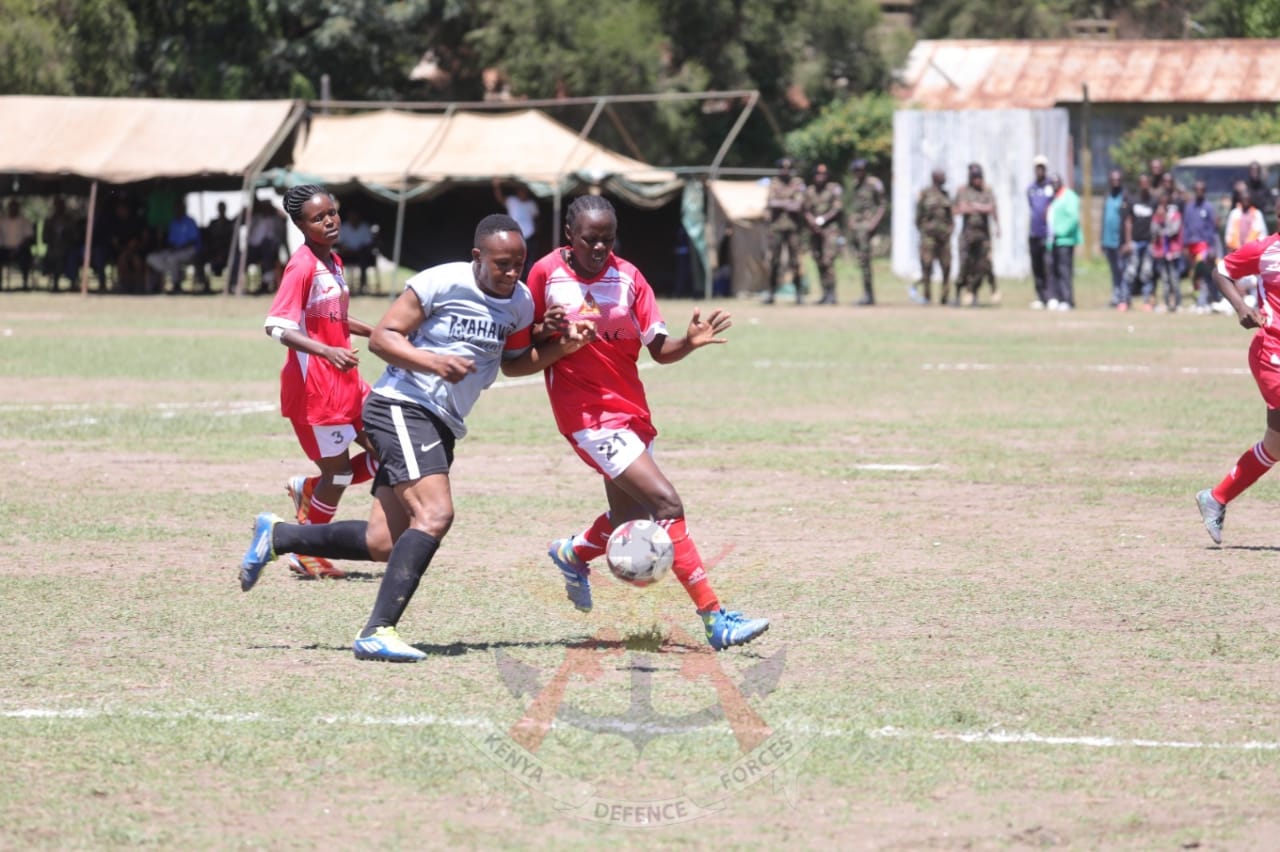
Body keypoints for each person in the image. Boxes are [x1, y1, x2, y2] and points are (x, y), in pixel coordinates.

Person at [240, 214, 596, 662]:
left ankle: (280, 536)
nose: (511, 273)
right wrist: (434, 363)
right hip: (403, 406)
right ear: (477, 257)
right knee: (435, 514)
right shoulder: (440, 283)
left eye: (518, 264)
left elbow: (515, 361)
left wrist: (564, 345)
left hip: (441, 421)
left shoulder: (521, 302)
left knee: (382, 543)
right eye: (502, 264)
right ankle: (377, 631)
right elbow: (383, 339)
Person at [528, 194, 770, 652]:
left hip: (630, 411)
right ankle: (716, 619)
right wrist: (546, 330)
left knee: (629, 516)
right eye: (589, 239)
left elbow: (659, 348)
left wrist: (688, 342)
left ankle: (574, 553)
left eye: (607, 239)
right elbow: (522, 342)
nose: (599, 248)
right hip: (586, 416)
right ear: (569, 236)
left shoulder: (629, 278)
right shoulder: (545, 274)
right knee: (666, 505)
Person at [263, 184, 380, 580]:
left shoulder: (333, 261)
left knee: (390, 452)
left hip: (347, 381)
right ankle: (302, 550)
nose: (329, 220)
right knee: (342, 474)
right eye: (318, 217)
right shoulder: (301, 265)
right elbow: (276, 325)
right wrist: (327, 352)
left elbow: (334, 316)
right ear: (300, 225)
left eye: (332, 212)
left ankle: (311, 488)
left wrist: (377, 332)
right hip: (317, 388)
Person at [1195, 230, 1280, 545]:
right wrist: (1241, 307)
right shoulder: (1266, 251)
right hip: (1272, 351)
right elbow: (1222, 271)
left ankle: (1215, 498)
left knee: (1275, 446)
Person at [954, 163, 999, 307]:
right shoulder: (963, 190)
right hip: (967, 235)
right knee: (964, 264)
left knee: (981, 266)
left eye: (980, 177)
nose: (978, 180)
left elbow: (992, 208)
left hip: (983, 236)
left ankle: (974, 294)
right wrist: (970, 208)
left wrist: (975, 206)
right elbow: (957, 208)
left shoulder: (987, 191)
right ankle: (958, 294)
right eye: (975, 177)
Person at [764, 158, 806, 304]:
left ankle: (799, 294)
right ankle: (770, 293)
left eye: (788, 167)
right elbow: (770, 202)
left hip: (793, 229)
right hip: (776, 229)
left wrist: (781, 203)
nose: (785, 170)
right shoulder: (773, 183)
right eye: (782, 167)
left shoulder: (798, 183)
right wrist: (788, 202)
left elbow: (798, 205)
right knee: (773, 261)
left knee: (795, 262)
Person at [847, 158, 885, 306]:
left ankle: (869, 295)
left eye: (860, 170)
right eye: (856, 171)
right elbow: (853, 206)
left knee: (865, 260)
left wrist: (874, 223)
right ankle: (866, 294)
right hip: (857, 227)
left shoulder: (874, 184)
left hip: (867, 227)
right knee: (861, 261)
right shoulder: (855, 185)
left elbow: (882, 205)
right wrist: (851, 220)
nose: (858, 173)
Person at [804, 163, 843, 305]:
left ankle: (832, 294)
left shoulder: (833, 189)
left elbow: (837, 208)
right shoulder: (810, 191)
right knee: (818, 260)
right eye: (818, 174)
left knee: (828, 261)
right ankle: (824, 293)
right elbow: (806, 209)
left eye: (823, 174)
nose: (820, 177)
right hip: (815, 231)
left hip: (829, 230)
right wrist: (812, 222)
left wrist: (823, 219)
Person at [145, 198, 201, 294]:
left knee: (172, 258)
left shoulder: (190, 221)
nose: (177, 210)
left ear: (184, 208)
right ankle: (176, 273)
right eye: (175, 208)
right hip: (175, 251)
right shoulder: (173, 223)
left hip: (189, 250)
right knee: (151, 258)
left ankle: (176, 285)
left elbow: (193, 240)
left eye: (179, 207)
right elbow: (171, 242)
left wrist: (179, 248)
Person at [914, 168, 953, 305]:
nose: (945, 178)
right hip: (928, 237)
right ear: (935, 178)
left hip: (944, 238)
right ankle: (927, 296)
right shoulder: (925, 194)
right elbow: (918, 216)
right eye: (942, 176)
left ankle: (945, 297)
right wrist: (924, 231)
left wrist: (949, 231)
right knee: (927, 265)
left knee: (946, 266)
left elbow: (950, 217)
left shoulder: (946, 195)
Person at [1119, 174, 1157, 311]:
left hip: (1148, 243)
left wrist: (1154, 241)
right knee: (1130, 272)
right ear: (1139, 184)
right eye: (1142, 183)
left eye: (1147, 182)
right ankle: (1124, 300)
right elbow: (1128, 222)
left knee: (1147, 273)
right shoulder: (1132, 200)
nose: (1145, 185)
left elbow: (1157, 221)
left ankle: (1146, 301)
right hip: (1135, 242)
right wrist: (1128, 242)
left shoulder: (1153, 201)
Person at [1183, 179, 1220, 314]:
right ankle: (1199, 300)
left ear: (1204, 191)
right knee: (1194, 276)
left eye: (1201, 190)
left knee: (1204, 274)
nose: (1199, 192)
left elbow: (1212, 229)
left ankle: (1205, 301)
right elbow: (1186, 227)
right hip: (1191, 246)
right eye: (1196, 190)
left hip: (1203, 246)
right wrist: (1185, 245)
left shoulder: (1209, 208)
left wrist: (1211, 248)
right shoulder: (1189, 207)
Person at [1045, 173, 1080, 311]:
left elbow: (1073, 218)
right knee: (1053, 270)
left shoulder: (1069, 196)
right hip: (1053, 241)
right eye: (1052, 183)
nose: (1054, 185)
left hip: (1065, 240)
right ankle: (1057, 297)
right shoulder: (1053, 198)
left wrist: (1061, 232)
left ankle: (1067, 299)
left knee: (1064, 270)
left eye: (1056, 182)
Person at [492, 177, 540, 276]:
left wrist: (537, 231)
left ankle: (529, 280)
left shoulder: (531, 204)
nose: (523, 194)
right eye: (521, 191)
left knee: (529, 262)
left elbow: (537, 219)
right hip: (515, 236)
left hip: (529, 236)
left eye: (524, 192)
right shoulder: (512, 201)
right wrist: (496, 186)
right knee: (514, 260)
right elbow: (500, 199)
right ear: (518, 192)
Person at [1026, 154, 1054, 309]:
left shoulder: (1050, 187)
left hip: (1047, 234)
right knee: (1036, 266)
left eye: (1042, 168)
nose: (1039, 171)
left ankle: (1050, 296)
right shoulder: (1031, 189)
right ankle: (1040, 296)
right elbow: (1032, 207)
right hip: (1034, 233)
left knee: (1047, 266)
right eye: (1037, 168)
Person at [1101, 169, 1129, 309]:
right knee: (1113, 271)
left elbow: (1128, 220)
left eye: (1118, 180)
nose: (1115, 182)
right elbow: (1104, 219)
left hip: (1120, 242)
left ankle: (1124, 298)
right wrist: (1102, 240)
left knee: (1122, 270)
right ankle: (1116, 296)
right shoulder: (1107, 196)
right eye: (1113, 180)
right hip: (1108, 241)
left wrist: (1126, 242)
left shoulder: (1125, 196)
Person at [1151, 192, 1183, 312]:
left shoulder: (1175, 215)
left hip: (1173, 252)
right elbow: (1154, 230)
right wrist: (1160, 219)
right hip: (1161, 252)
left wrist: (1164, 220)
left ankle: (1178, 303)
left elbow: (1173, 230)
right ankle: (1166, 303)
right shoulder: (1157, 215)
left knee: (1174, 278)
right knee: (1164, 279)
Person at [337, 208, 377, 294]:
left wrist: (359, 250)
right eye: (351, 217)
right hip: (347, 253)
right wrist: (345, 248)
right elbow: (339, 243)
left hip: (361, 254)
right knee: (337, 258)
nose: (353, 218)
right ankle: (339, 285)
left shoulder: (365, 227)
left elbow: (368, 244)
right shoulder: (344, 227)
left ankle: (362, 286)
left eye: (355, 217)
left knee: (364, 258)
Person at [41, 197, 77, 292]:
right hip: (52, 248)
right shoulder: (49, 221)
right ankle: (55, 283)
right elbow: (44, 238)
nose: (59, 208)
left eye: (61, 206)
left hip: (67, 248)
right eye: (57, 206)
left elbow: (74, 236)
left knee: (67, 256)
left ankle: (71, 283)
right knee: (53, 256)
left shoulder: (69, 220)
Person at [198, 201, 236, 291]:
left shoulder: (229, 224)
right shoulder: (213, 223)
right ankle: (203, 284)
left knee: (234, 259)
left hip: (226, 253)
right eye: (220, 208)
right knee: (199, 258)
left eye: (222, 208)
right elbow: (207, 239)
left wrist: (222, 254)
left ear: (225, 209)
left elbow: (231, 242)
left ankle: (231, 285)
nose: (221, 210)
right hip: (212, 252)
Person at [0, 199, 35, 290]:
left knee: (26, 256)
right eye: (11, 207)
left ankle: (25, 283)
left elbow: (28, 238)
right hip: (4, 249)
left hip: (21, 249)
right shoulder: (2, 221)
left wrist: (18, 248)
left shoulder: (24, 221)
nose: (13, 209)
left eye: (15, 207)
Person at [711, 224, 734, 298]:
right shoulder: (724, 240)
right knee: (722, 279)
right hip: (723, 264)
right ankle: (722, 293)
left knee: (725, 279)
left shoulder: (729, 240)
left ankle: (725, 293)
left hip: (725, 263)